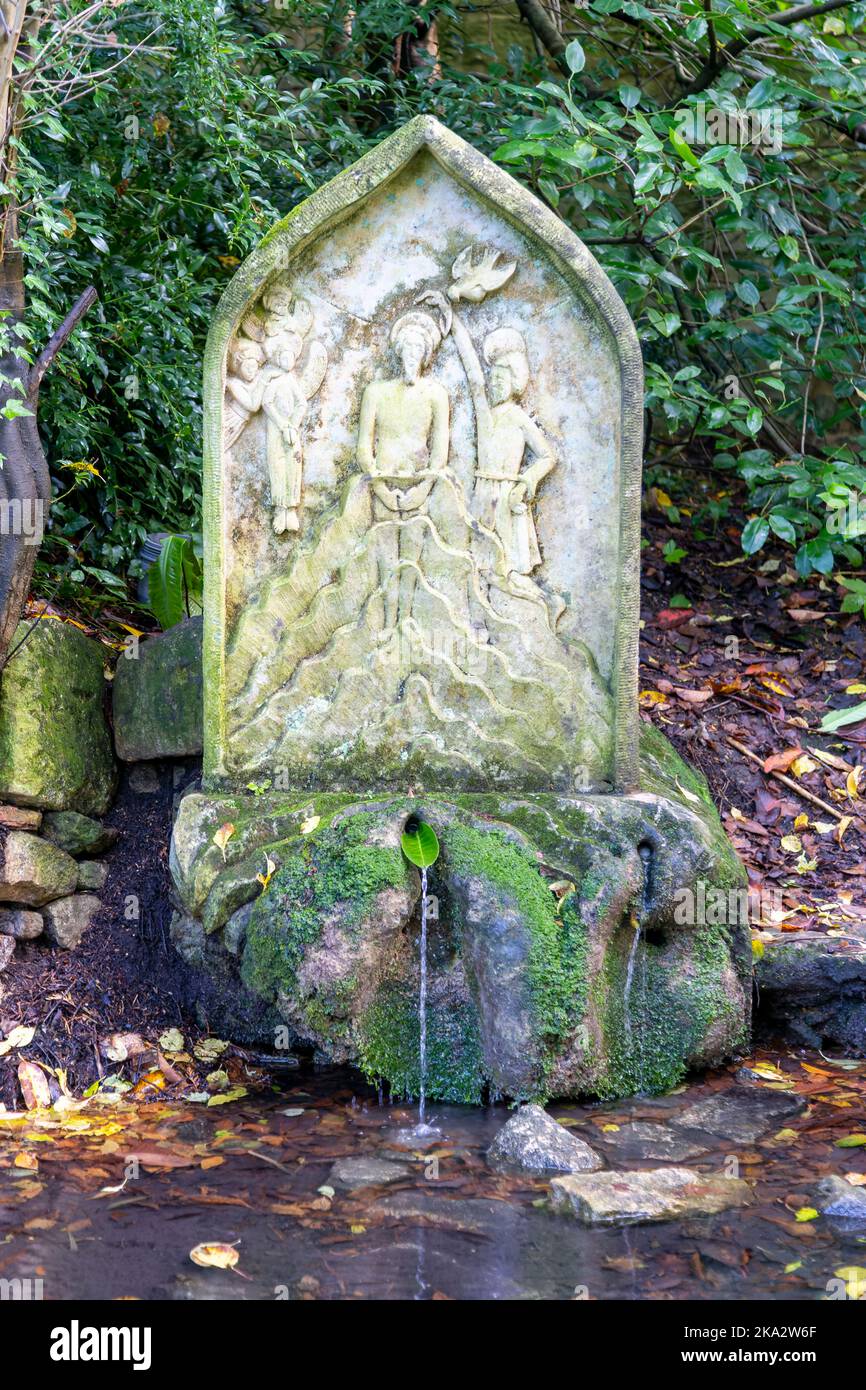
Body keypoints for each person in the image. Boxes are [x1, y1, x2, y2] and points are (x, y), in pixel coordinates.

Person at [356, 310, 449, 634]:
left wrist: (423, 488)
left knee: (411, 557)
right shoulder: (376, 392)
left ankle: (405, 620)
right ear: (398, 353)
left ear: (425, 355)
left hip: (418, 485)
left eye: (417, 351)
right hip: (383, 483)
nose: (412, 357)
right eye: (407, 350)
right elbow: (364, 448)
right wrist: (379, 485)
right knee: (385, 558)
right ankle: (385, 622)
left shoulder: (436, 394)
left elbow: (439, 453)